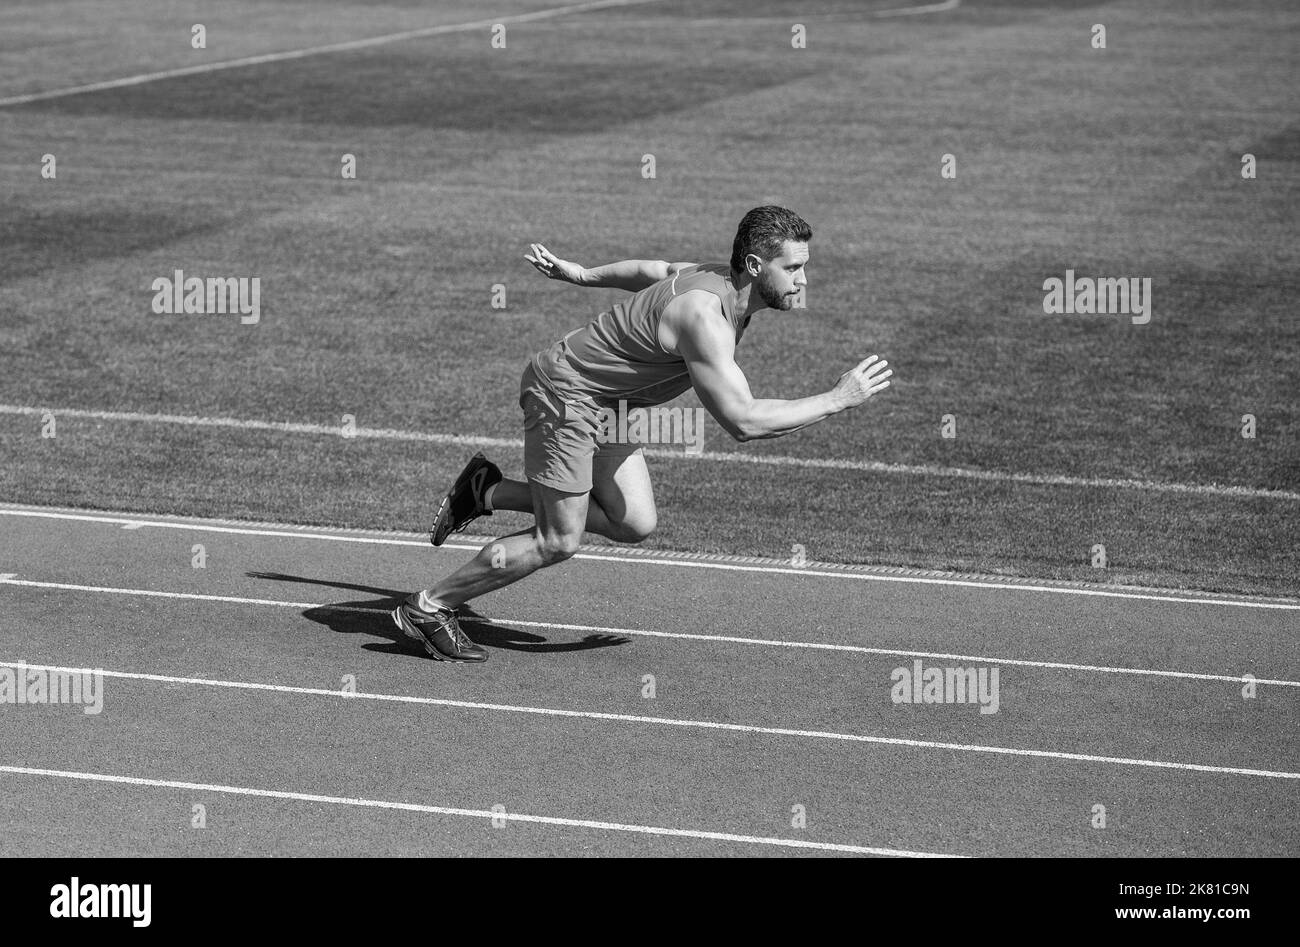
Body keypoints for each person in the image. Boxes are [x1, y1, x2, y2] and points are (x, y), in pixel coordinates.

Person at [392, 206, 893, 662]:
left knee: (633, 522)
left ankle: (487, 490)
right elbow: (742, 422)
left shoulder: (710, 275)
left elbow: (652, 270)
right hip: (566, 396)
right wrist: (836, 398)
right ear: (757, 265)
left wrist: (582, 274)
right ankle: (428, 607)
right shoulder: (706, 318)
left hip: (607, 402)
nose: (804, 281)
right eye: (794, 268)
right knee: (557, 540)